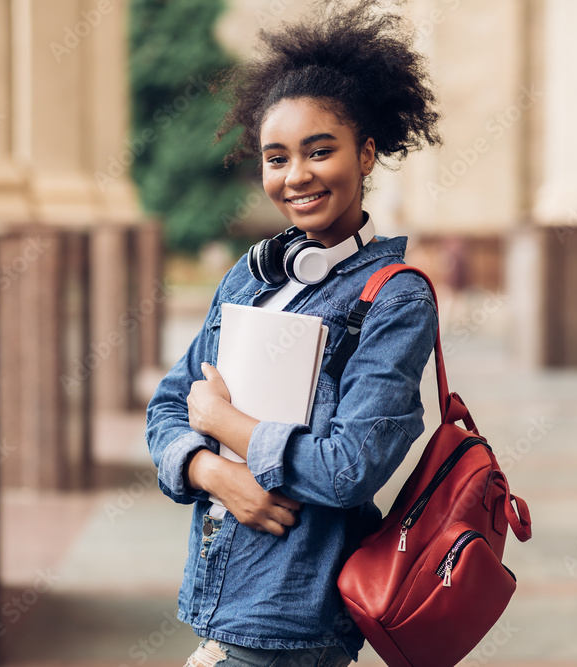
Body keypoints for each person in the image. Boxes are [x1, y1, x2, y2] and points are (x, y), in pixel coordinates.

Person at [145, 1, 442, 664]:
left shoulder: (395, 298)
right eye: (277, 158)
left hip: (297, 620)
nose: (297, 174)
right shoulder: (249, 279)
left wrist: (224, 421)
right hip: (217, 599)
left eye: (320, 150)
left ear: (366, 154)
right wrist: (212, 471)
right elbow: (167, 406)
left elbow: (349, 468)